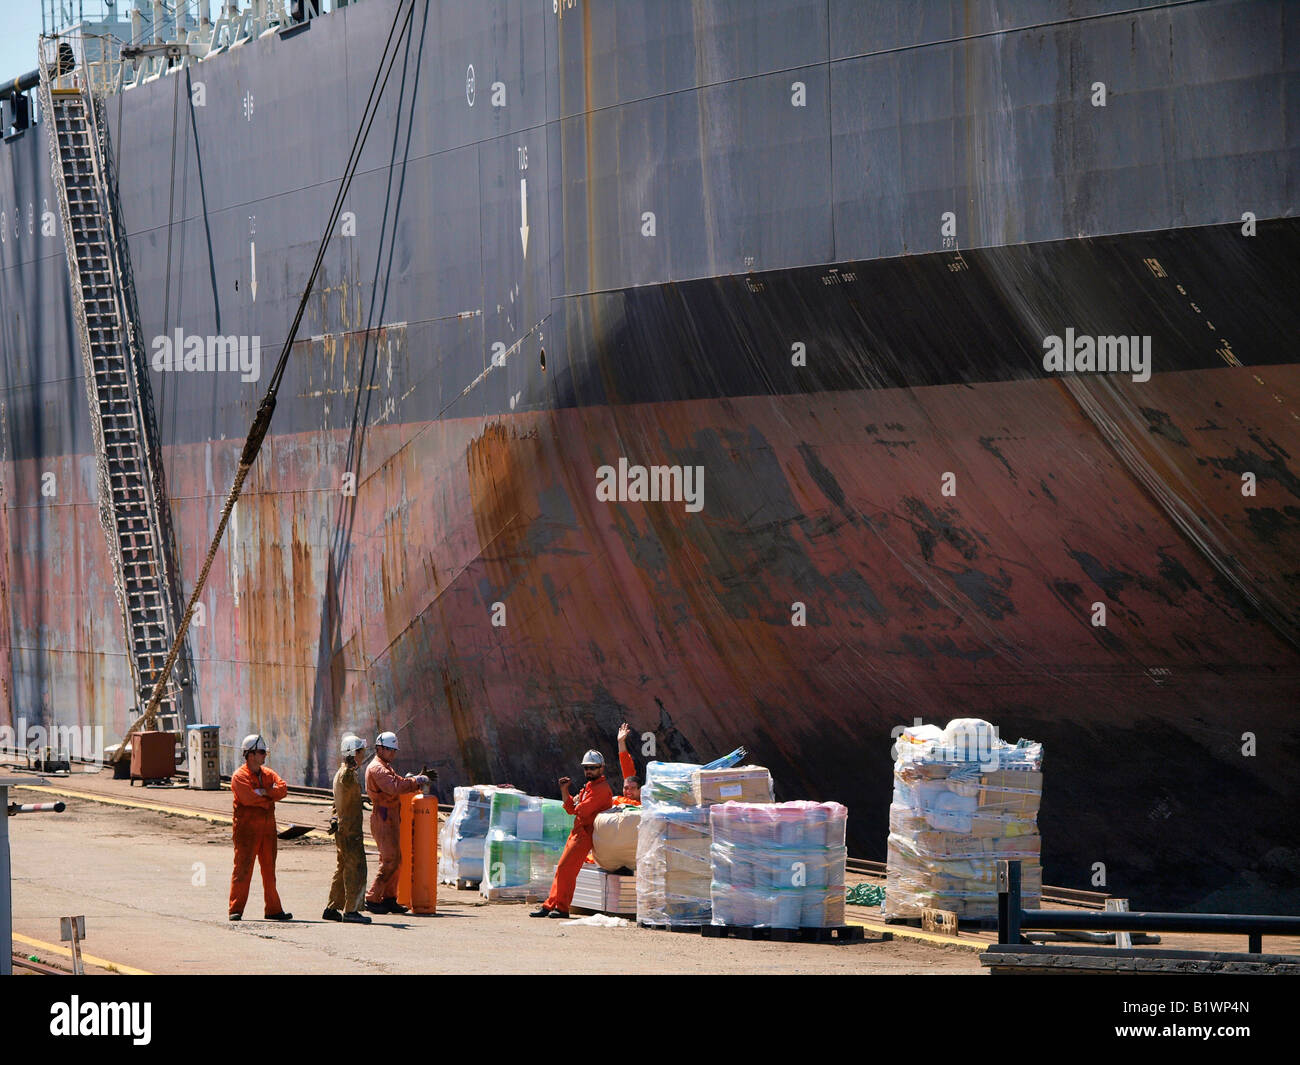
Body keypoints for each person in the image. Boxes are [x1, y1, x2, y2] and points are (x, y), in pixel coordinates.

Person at [530, 750, 614, 918]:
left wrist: (576, 802)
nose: (588, 771)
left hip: (585, 835)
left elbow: (581, 810)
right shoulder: (589, 788)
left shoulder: (602, 789)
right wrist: (564, 790)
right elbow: (571, 809)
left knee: (566, 870)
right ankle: (550, 905)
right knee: (562, 870)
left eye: (592, 768)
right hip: (577, 833)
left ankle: (562, 908)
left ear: (601, 769)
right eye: (586, 768)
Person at [364, 731, 428, 914]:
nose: (393, 753)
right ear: (380, 749)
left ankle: (389, 898)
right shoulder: (377, 768)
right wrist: (416, 781)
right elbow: (394, 787)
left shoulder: (385, 766)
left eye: (394, 750)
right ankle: (373, 898)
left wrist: (414, 779)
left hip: (390, 816)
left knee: (395, 860)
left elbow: (398, 781)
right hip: (383, 817)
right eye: (390, 750)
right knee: (390, 860)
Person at [229, 733, 292, 922]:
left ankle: (273, 909)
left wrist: (265, 793)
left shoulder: (267, 774)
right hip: (247, 831)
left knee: (269, 870)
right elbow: (247, 798)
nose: (265, 756)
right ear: (250, 754)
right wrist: (269, 797)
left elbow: (283, 789)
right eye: (262, 752)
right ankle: (235, 908)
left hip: (267, 831)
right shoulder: (239, 776)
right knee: (243, 869)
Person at [324, 734, 371, 924]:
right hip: (350, 831)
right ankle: (351, 910)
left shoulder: (342, 773)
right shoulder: (347, 775)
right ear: (353, 753)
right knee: (356, 869)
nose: (363, 756)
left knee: (342, 868)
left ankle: (332, 907)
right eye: (360, 752)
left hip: (343, 828)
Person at [612, 722, 641, 806]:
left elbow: (637, 805)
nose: (628, 791)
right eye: (626, 788)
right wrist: (621, 742)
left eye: (632, 788)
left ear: (640, 790)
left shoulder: (647, 804)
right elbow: (626, 764)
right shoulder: (622, 802)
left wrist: (616, 799)